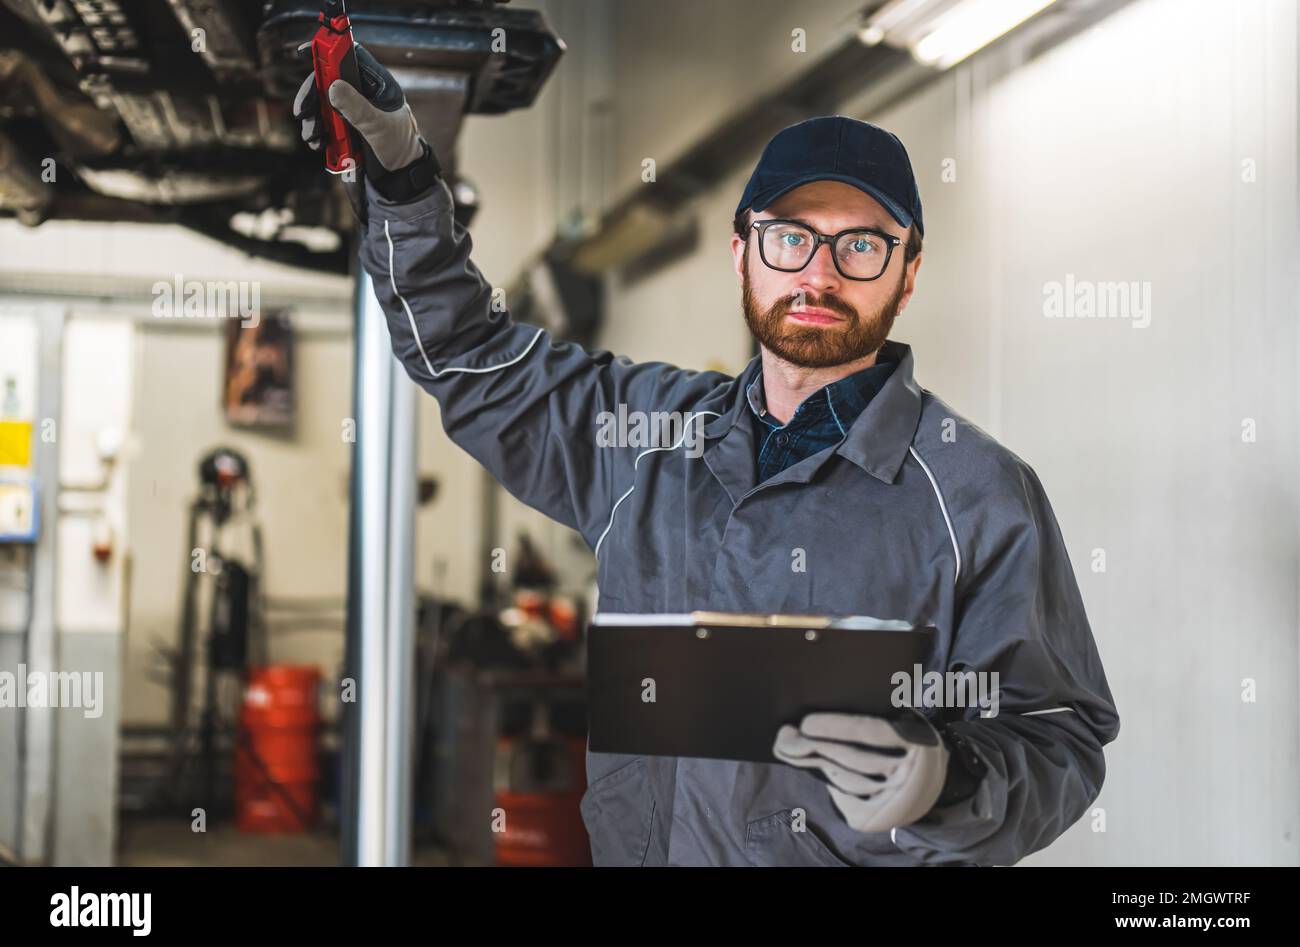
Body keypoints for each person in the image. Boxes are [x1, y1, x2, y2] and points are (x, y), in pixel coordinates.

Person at [295, 46, 1120, 867]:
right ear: (742, 254)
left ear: (907, 276)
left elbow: (1060, 735)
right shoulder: (644, 434)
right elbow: (467, 355)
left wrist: (951, 781)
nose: (820, 275)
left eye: (863, 246)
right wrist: (404, 182)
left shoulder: (978, 494)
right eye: (790, 238)